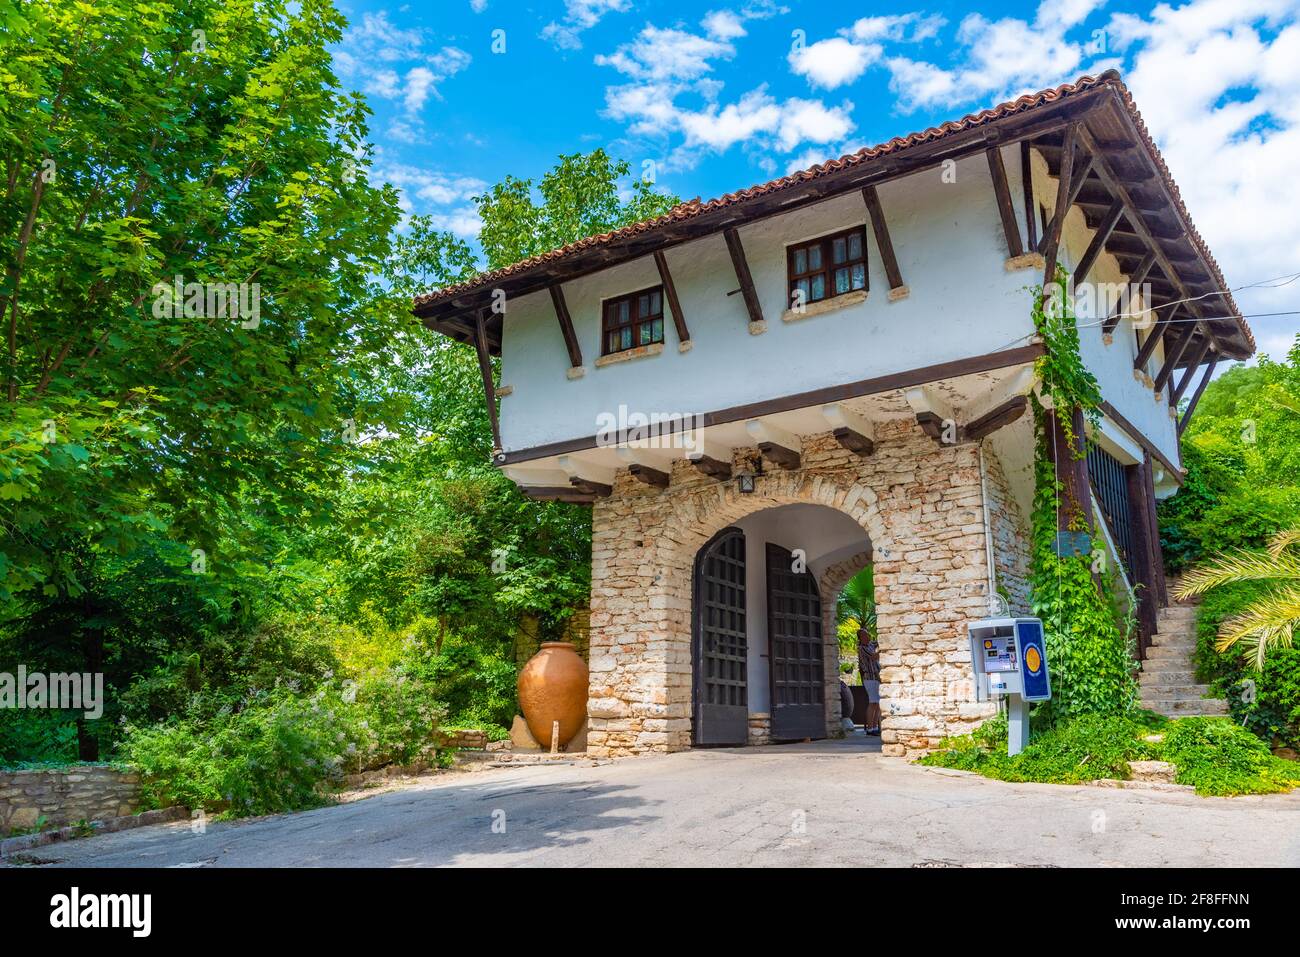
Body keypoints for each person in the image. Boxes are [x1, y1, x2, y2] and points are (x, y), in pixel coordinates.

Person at [857, 628, 881, 735]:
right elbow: (874, 656)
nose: (867, 637)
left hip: (876, 677)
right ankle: (870, 729)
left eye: (867, 635)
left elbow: (881, 641)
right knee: (872, 702)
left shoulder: (871, 644)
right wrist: (882, 651)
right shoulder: (862, 648)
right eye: (864, 636)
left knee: (877, 703)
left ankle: (875, 727)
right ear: (860, 638)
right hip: (869, 678)